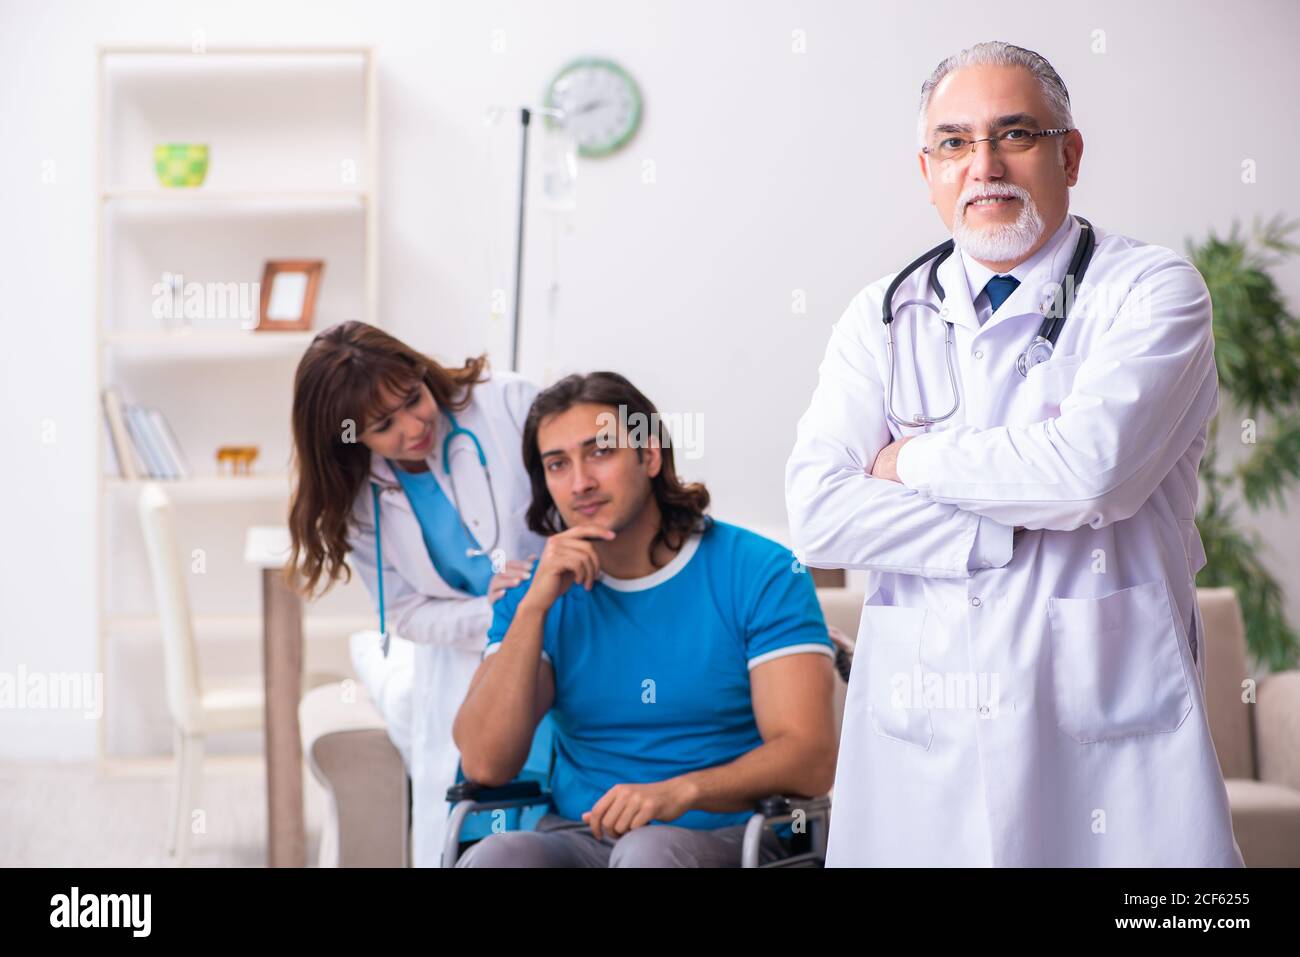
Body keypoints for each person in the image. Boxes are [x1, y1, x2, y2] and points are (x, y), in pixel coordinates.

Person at [785, 41, 1243, 866]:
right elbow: (818, 513)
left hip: (1108, 725)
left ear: (1069, 153)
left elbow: (1090, 472)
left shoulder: (1152, 292)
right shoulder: (881, 316)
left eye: (1016, 134)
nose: (984, 164)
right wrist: (996, 530)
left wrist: (911, 461)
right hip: (922, 736)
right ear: (927, 170)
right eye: (955, 143)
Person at [452, 372, 838, 867]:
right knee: (497, 857)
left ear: (650, 456)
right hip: (577, 835)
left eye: (600, 452)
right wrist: (532, 609)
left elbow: (809, 758)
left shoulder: (760, 572)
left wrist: (680, 792)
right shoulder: (537, 591)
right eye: (558, 464)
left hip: (728, 835)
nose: (580, 482)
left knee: (648, 851)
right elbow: (485, 763)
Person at [285, 320, 543, 866]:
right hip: (465, 659)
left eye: (413, 398)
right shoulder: (358, 502)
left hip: (566, 631)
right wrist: (489, 612)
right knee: (467, 821)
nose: (413, 426)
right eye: (384, 424)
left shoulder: (508, 405)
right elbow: (404, 613)